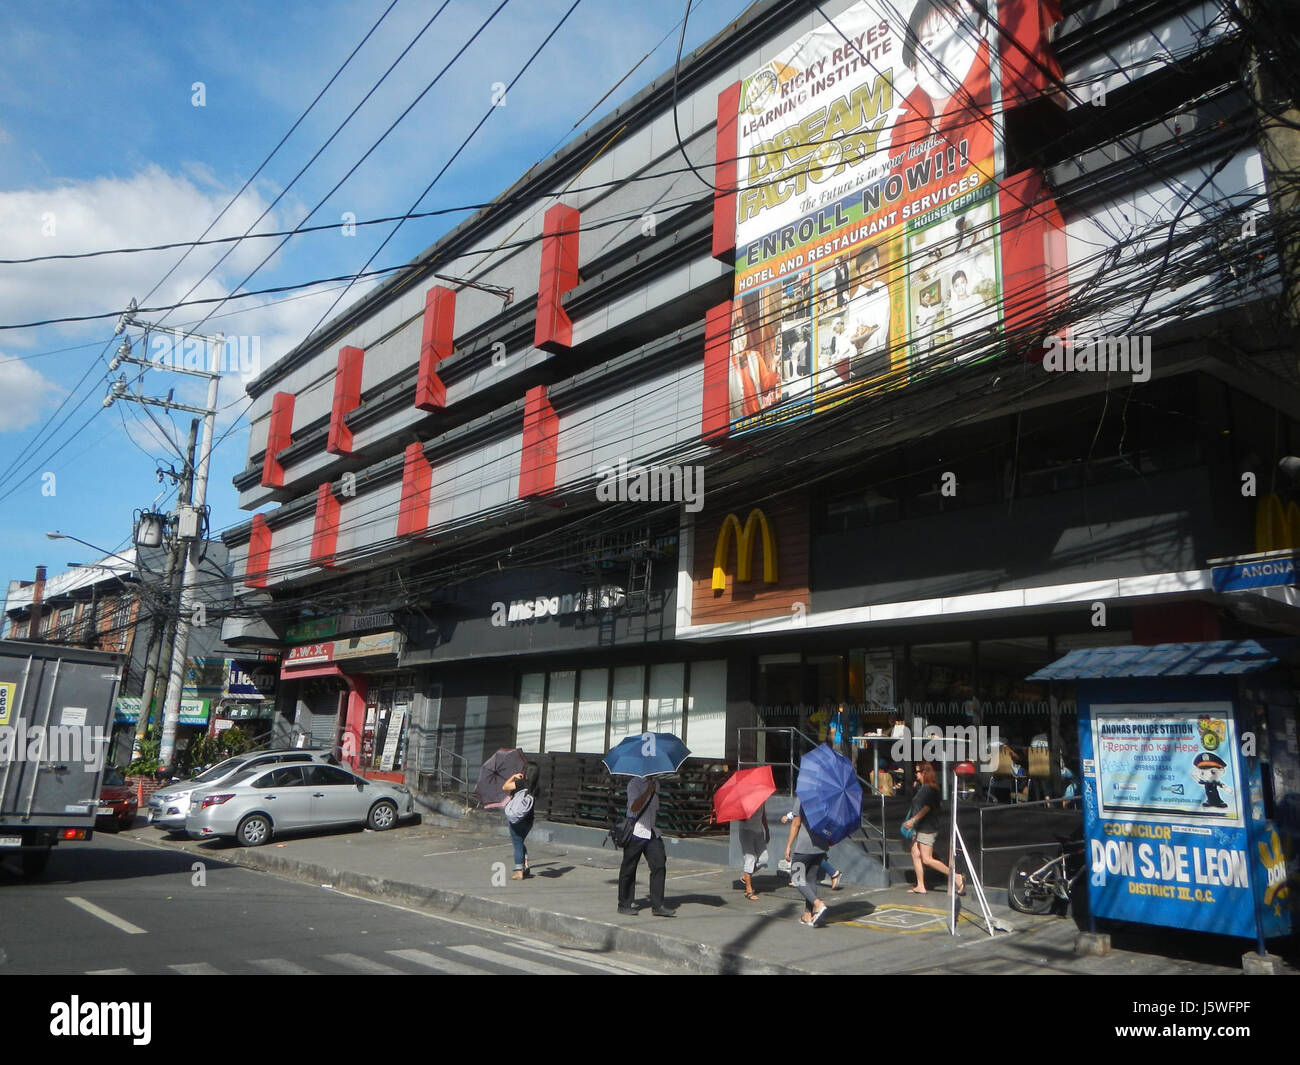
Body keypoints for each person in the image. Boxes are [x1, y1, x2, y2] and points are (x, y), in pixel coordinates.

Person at [903, 762, 964, 896]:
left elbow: (927, 808)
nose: (916, 775)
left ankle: (955, 876)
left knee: (927, 859)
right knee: (915, 853)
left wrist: (913, 820)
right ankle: (920, 885)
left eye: (917, 772)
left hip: (926, 827)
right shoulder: (923, 788)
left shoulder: (929, 789)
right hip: (920, 827)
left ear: (924, 772)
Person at [618, 777, 674, 917]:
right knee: (629, 868)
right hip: (637, 830)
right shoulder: (634, 784)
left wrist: (653, 789)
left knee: (659, 864)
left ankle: (658, 905)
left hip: (651, 831)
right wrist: (648, 791)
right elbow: (634, 807)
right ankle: (624, 904)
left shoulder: (657, 784)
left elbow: (655, 808)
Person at [844, 244, 891, 381]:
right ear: (859, 272)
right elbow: (851, 340)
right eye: (866, 268)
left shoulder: (884, 288)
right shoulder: (853, 303)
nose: (871, 270)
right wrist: (857, 344)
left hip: (883, 355)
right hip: (863, 362)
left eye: (874, 264)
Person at [781, 798, 831, 925]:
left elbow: (796, 823)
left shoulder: (803, 796)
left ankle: (817, 904)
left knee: (796, 877)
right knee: (810, 878)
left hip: (804, 846)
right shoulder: (825, 797)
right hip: (821, 845)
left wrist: (788, 846)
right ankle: (807, 914)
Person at [501, 761, 538, 880]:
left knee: (517, 844)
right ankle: (525, 864)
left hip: (517, 820)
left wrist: (513, 777)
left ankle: (519, 871)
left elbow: (505, 787)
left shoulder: (521, 783)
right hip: (528, 821)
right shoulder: (536, 787)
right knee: (520, 842)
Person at [737, 806, 770, 900]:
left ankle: (745, 876)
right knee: (750, 859)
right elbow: (740, 817)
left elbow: (763, 815)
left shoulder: (761, 798)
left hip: (758, 831)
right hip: (746, 831)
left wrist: (767, 830)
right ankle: (749, 891)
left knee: (764, 859)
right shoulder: (743, 801)